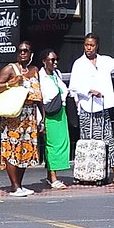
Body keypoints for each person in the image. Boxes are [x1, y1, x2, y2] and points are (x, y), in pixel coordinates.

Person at [68, 32, 114, 185]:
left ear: (96, 46)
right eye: (86, 45)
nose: (88, 48)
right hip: (87, 108)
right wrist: (89, 90)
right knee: (89, 141)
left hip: (102, 107)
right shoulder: (79, 64)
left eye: (91, 45)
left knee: (108, 140)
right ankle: (88, 173)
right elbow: (73, 86)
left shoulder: (104, 61)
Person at [0, 40, 44, 196]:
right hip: (14, 115)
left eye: (25, 51)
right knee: (12, 149)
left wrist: (43, 118)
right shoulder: (10, 69)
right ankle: (14, 186)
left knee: (24, 150)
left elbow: (39, 96)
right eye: (20, 50)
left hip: (30, 115)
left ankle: (20, 184)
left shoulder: (34, 70)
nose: (22, 53)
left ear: (31, 54)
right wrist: (11, 83)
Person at [36, 49, 72, 187]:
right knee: (52, 145)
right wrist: (41, 120)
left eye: (57, 59)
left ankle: (51, 175)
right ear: (44, 61)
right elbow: (40, 100)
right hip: (49, 114)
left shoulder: (57, 74)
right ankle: (53, 178)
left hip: (60, 112)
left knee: (62, 143)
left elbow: (63, 91)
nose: (55, 62)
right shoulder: (40, 77)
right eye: (52, 60)